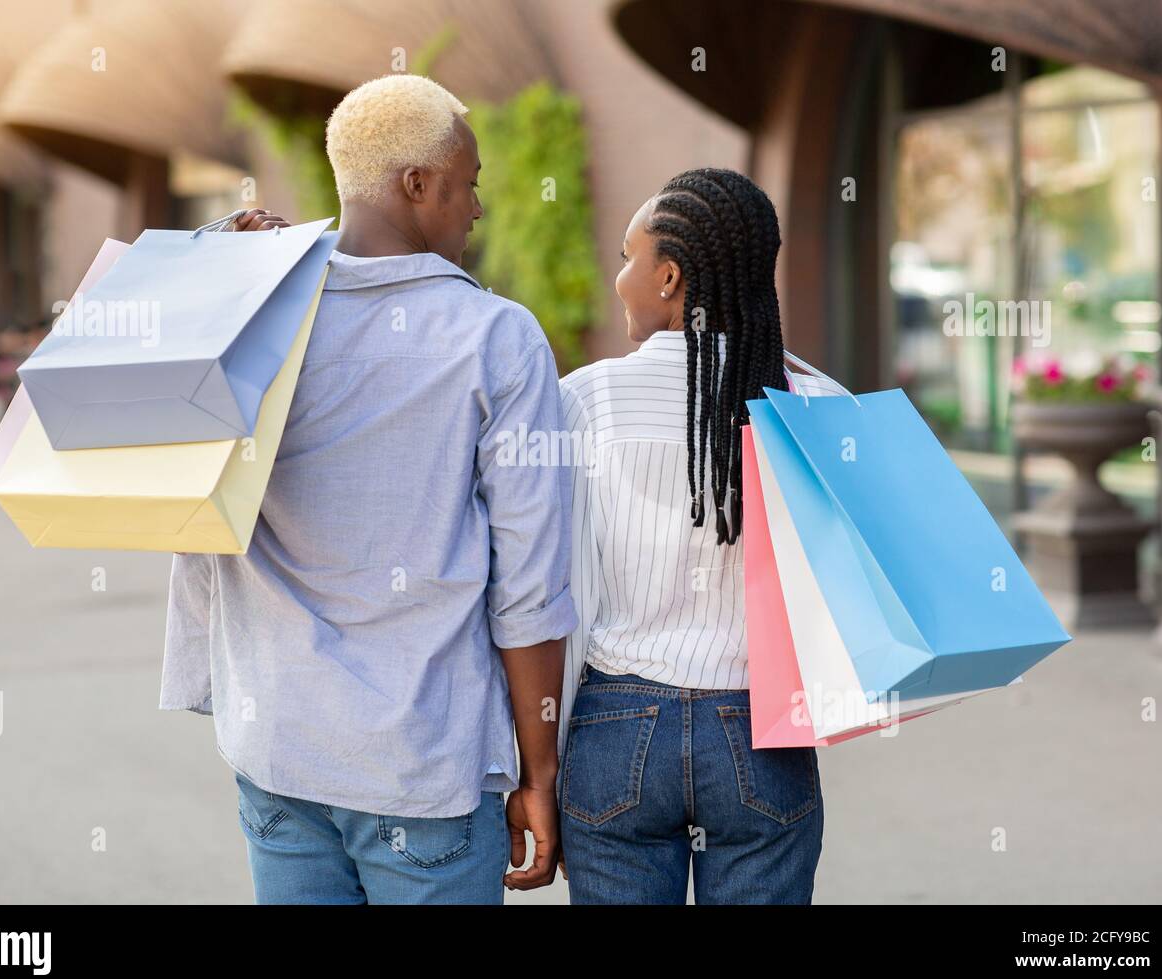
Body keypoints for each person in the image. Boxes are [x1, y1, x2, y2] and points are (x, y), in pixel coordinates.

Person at [160, 74, 575, 905]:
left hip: (278, 757)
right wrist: (541, 769)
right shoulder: (497, 339)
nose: (479, 209)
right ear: (416, 184)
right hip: (419, 771)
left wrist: (216, 254)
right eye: (470, 184)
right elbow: (530, 585)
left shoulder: (249, 312)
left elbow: (139, 383)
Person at [556, 168, 823, 904]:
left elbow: (560, 594)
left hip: (615, 729)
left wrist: (543, 765)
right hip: (760, 729)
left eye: (625, 256)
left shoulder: (585, 398)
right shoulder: (806, 403)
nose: (619, 277)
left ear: (668, 276)